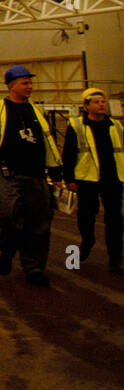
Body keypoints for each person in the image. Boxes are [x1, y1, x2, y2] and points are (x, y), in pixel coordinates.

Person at [0, 65, 63, 286]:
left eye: (31, 83)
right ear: (12, 85)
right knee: (8, 215)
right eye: (25, 83)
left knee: (40, 222)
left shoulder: (36, 111)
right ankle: (8, 249)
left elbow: (48, 142)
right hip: (7, 173)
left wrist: (56, 172)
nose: (30, 87)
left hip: (36, 174)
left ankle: (33, 268)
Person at [62, 88, 123, 273]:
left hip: (112, 179)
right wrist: (69, 179)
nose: (101, 104)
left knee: (115, 219)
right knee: (87, 216)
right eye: (96, 102)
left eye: (103, 101)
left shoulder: (116, 126)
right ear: (86, 106)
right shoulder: (77, 126)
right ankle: (87, 241)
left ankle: (116, 259)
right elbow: (69, 154)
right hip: (87, 179)